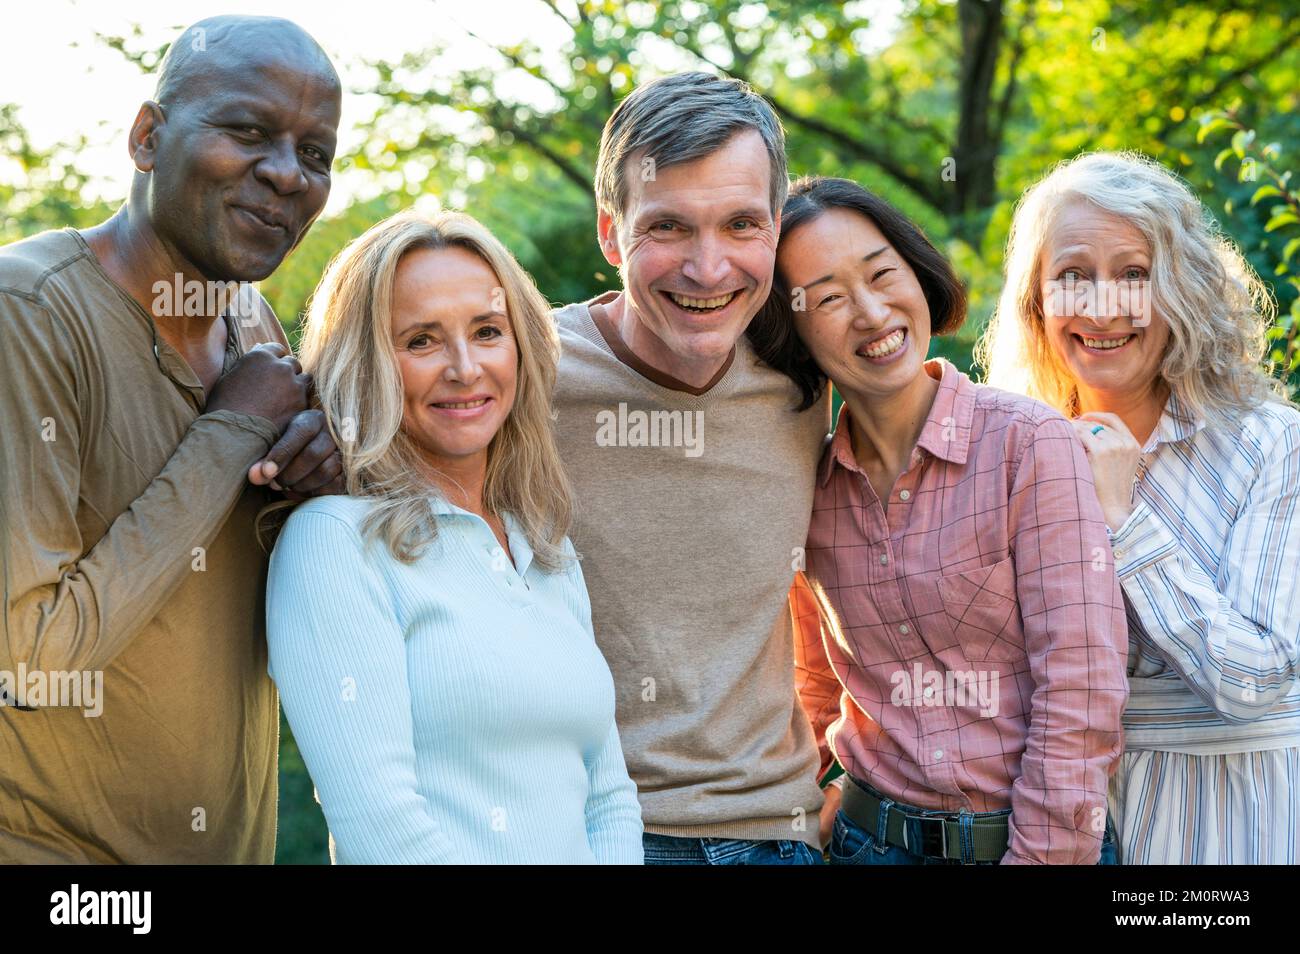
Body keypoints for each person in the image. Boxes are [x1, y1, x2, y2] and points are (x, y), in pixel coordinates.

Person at [0, 15, 344, 863]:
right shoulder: (28, 314)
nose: (285, 174)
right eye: (248, 131)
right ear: (148, 137)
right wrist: (232, 431)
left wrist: (323, 488)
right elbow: (30, 664)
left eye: (315, 153)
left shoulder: (249, 326)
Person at [768, 176, 1128, 864]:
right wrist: (795, 809)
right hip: (866, 844)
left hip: (1023, 847)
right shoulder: (808, 485)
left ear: (917, 273)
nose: (872, 313)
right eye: (830, 298)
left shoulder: (1030, 443)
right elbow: (814, 682)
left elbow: (1081, 684)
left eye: (882, 275)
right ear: (792, 329)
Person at [266, 210, 643, 864]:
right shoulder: (332, 545)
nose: (465, 368)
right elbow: (380, 824)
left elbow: (606, 791)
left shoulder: (544, 544)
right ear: (367, 363)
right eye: (421, 341)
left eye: (488, 331)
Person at [981, 151, 1300, 864]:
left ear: (1182, 285)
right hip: (1049, 824)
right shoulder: (1009, 451)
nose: (1103, 308)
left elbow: (1253, 680)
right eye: (1073, 276)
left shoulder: (1270, 444)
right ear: (1036, 300)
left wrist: (1121, 519)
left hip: (1232, 822)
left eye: (1134, 273)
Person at [550, 72, 832, 864]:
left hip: (781, 838)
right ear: (611, 234)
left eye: (741, 225)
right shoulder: (517, 375)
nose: (708, 270)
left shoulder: (806, 374)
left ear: (777, 228)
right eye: (669, 227)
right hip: (588, 834)